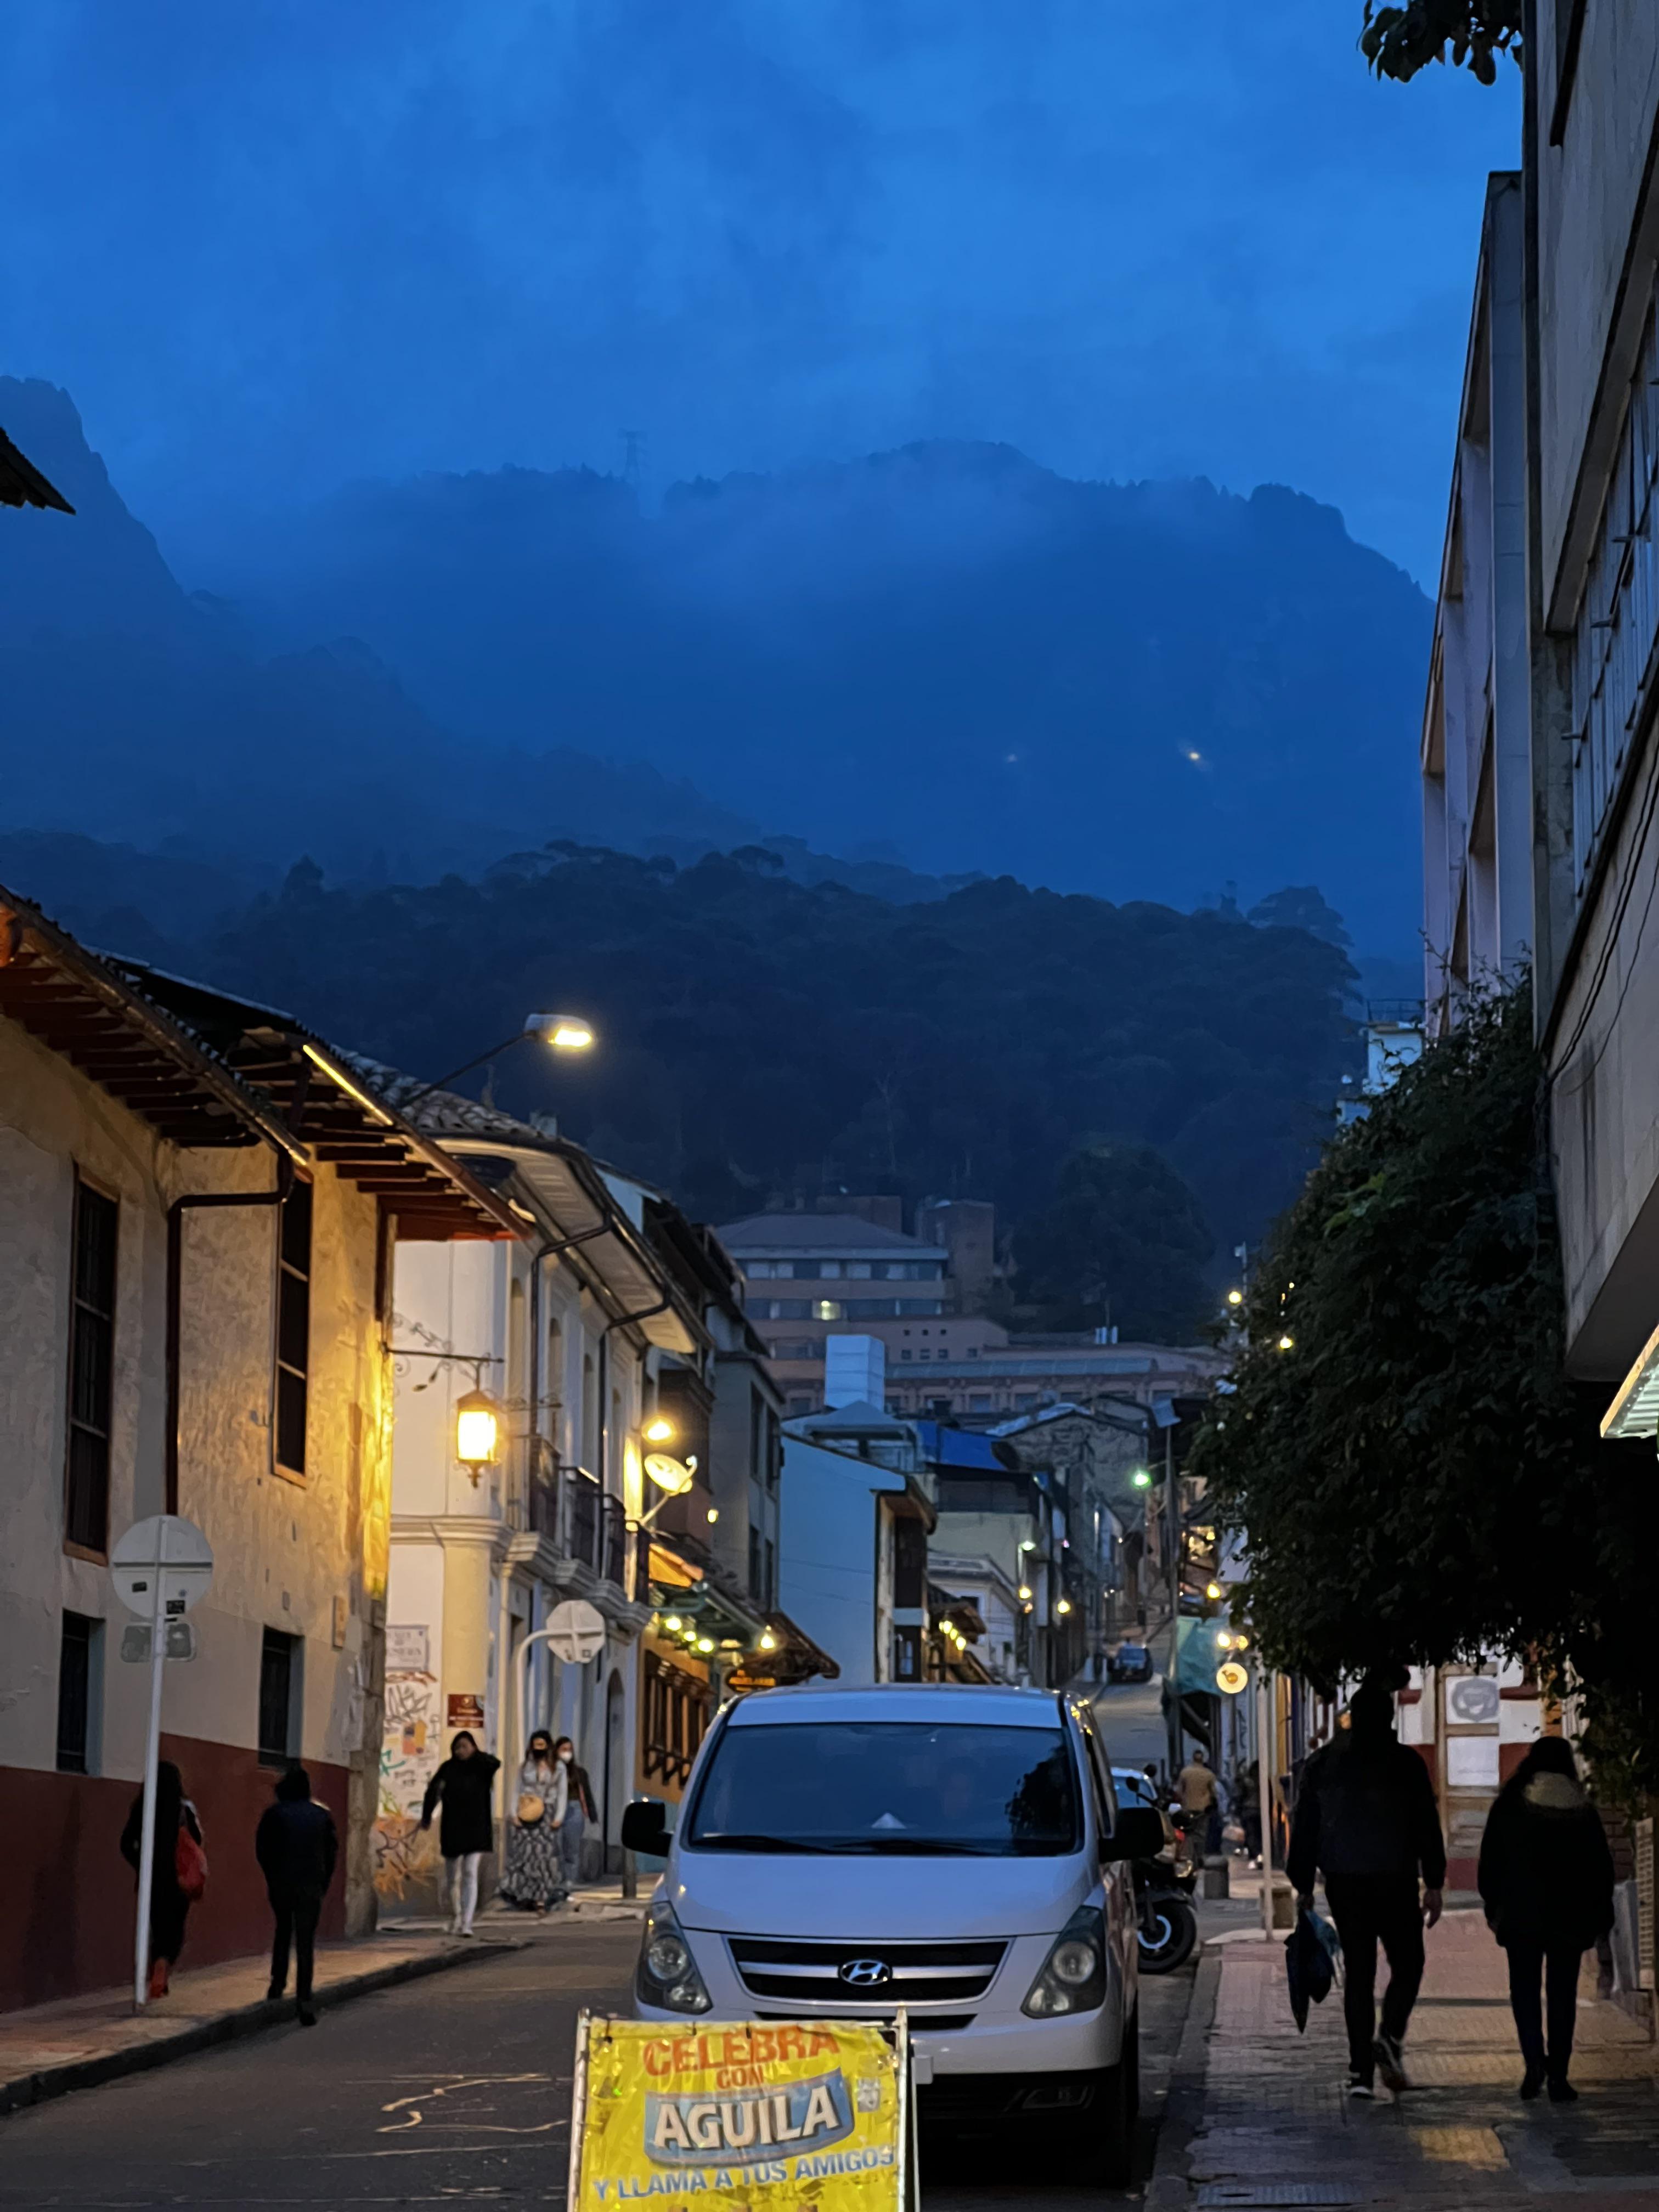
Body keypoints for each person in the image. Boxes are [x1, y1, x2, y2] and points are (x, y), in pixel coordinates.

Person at [1288, 1678, 1446, 2099]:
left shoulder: (1322, 1764)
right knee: (1409, 1963)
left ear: (1352, 1718)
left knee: (1360, 1974)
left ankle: (1361, 2074)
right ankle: (1389, 2035)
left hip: (1344, 1881)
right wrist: (1433, 1881)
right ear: (1390, 1718)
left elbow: (1305, 1827)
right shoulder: (1407, 1763)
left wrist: (1303, 1884)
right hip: (1395, 1879)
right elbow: (1426, 1825)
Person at [1478, 1736, 1615, 2103]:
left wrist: (1493, 1906)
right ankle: (1559, 2075)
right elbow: (1600, 1868)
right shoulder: (1582, 1808)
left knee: (1524, 1992)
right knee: (1562, 1995)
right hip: (1570, 1917)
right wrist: (1601, 1914)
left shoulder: (1510, 1804)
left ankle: (1533, 2064)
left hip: (1521, 1915)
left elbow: (1491, 1861)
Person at [255, 1765, 339, 2025]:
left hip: (282, 1883)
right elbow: (331, 1854)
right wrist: (323, 1882)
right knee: (305, 1941)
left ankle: (277, 1984)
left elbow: (263, 1850)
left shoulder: (274, 1814)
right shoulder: (321, 1816)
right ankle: (305, 1998)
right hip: (311, 1885)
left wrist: (272, 1877)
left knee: (283, 1930)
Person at [119, 1760, 204, 2000]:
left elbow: (126, 1843)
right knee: (175, 1929)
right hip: (178, 1879)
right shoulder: (183, 1810)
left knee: (157, 1927)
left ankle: (157, 1966)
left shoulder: (142, 1808)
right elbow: (197, 1840)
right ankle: (163, 1966)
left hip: (152, 1881)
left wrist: (143, 1865)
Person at [420, 1730, 501, 1936]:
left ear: (473, 1747)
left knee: (470, 1873)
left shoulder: (482, 1767)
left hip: (477, 1829)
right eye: (457, 1747)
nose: (460, 1751)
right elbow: (433, 1792)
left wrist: (477, 1754)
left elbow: (495, 1763)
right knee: (452, 1878)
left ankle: (467, 1923)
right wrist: (426, 1817)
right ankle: (456, 1915)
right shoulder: (448, 1769)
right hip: (453, 1829)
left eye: (465, 1746)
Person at [499, 1729, 568, 1915]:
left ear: (548, 1746)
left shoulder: (558, 1767)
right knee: (526, 1855)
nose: (538, 1749)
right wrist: (513, 1813)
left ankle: (542, 1898)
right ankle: (525, 1895)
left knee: (543, 1856)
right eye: (535, 1745)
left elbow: (562, 1794)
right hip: (527, 1812)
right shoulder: (525, 1767)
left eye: (541, 1745)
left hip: (547, 1814)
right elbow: (517, 1789)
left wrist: (559, 1817)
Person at [553, 1736, 596, 1895]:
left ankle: (568, 1885)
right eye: (564, 1750)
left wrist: (591, 1813)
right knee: (557, 1848)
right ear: (557, 1751)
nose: (567, 1753)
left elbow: (587, 1793)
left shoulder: (579, 1772)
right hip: (556, 1810)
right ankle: (558, 1881)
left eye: (570, 1750)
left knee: (572, 1849)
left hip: (574, 1809)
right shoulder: (552, 1770)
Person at [1176, 1748, 1221, 1856]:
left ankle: (1190, 1855)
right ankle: (1200, 1855)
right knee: (1201, 1833)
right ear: (1203, 1759)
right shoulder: (1208, 1774)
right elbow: (1214, 1792)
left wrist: (1183, 1803)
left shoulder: (1185, 1773)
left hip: (1188, 1807)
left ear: (1193, 1758)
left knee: (1189, 1833)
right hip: (1203, 1809)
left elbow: (1179, 1792)